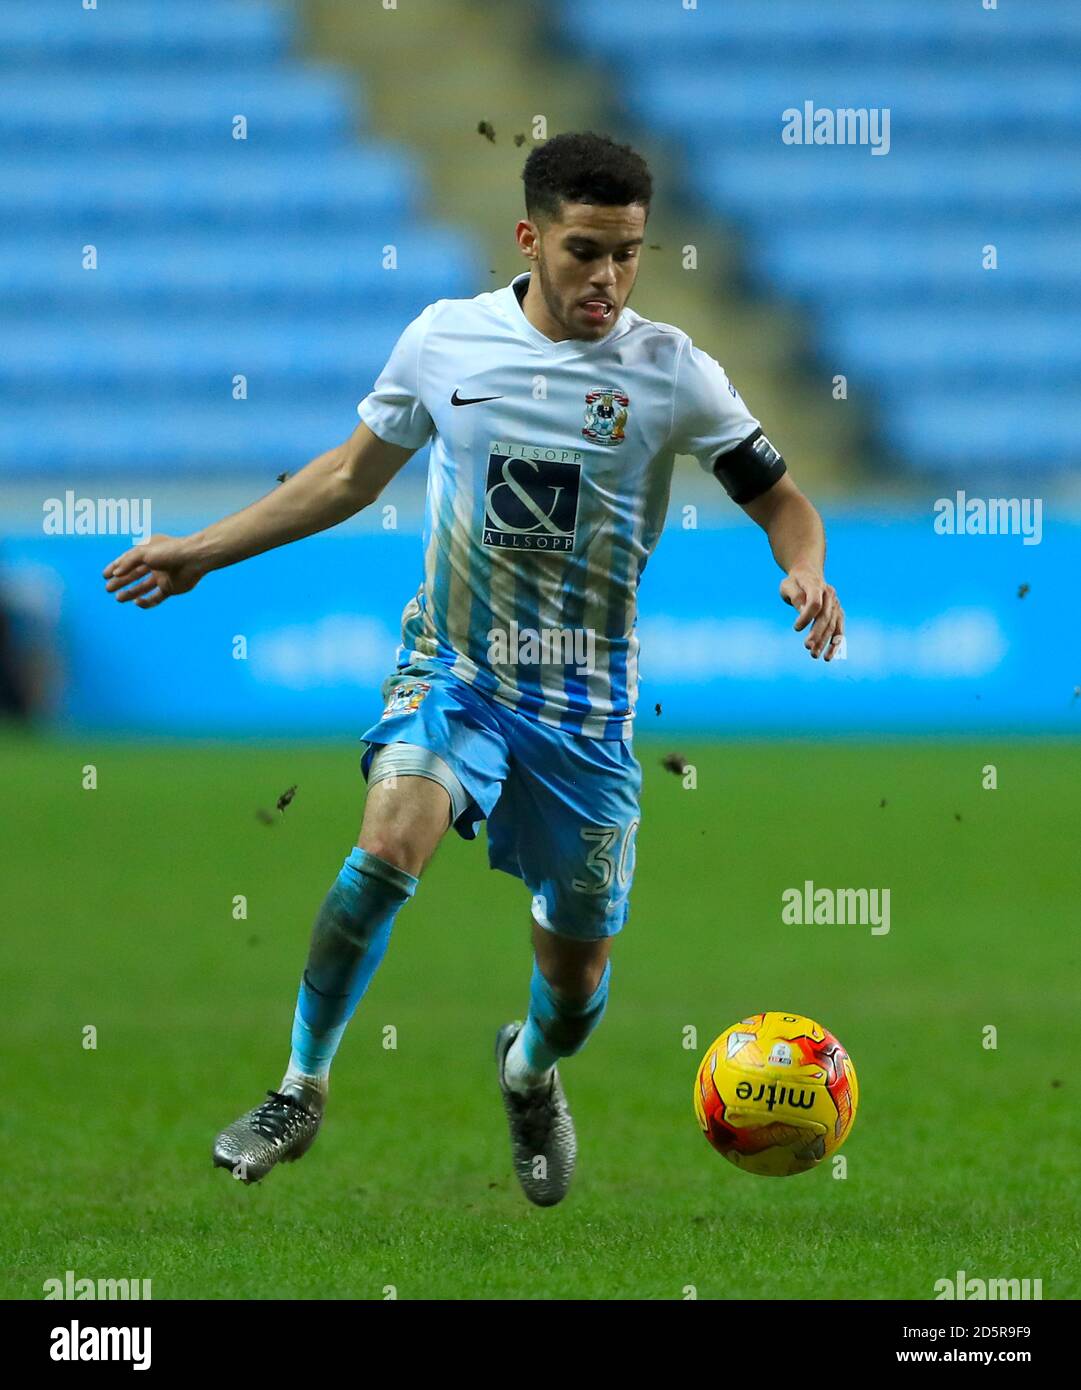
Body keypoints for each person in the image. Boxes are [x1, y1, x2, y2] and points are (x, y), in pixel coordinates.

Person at [103, 131, 844, 1207]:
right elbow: (353, 475)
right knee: (389, 839)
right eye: (586, 250)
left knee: (576, 982)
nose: (607, 278)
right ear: (529, 237)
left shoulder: (669, 372)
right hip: (458, 671)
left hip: (585, 713)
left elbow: (781, 499)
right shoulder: (446, 344)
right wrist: (200, 552)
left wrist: (807, 572)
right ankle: (300, 1085)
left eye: (629, 254)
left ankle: (528, 1070)